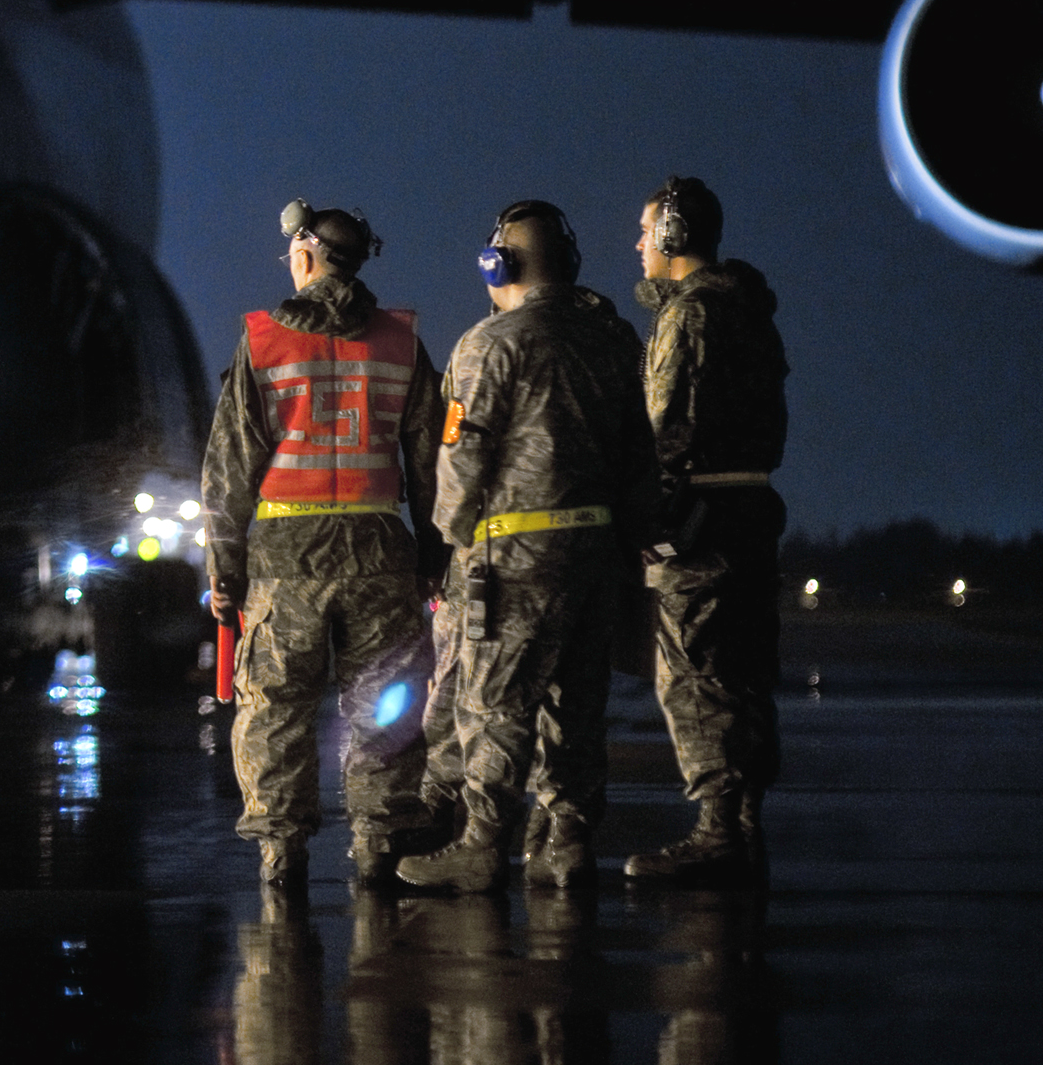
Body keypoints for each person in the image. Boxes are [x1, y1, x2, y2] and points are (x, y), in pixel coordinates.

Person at [400, 201, 654, 894]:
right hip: (596, 556)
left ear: (499, 263)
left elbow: (458, 464)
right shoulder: (615, 342)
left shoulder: (488, 344)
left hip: (513, 557)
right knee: (577, 707)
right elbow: (643, 454)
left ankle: (481, 846)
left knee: (494, 706)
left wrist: (454, 541)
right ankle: (567, 843)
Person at [202, 200, 445, 891]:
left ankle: (281, 855)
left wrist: (226, 566)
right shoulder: (402, 343)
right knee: (386, 702)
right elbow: (431, 464)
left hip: (285, 555)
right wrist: (432, 556)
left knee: (276, 710)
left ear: (305, 254)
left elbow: (227, 472)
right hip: (380, 549)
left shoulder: (262, 341)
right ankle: (379, 843)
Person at [624, 176, 788, 886]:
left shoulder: (691, 315)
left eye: (645, 230)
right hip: (749, 510)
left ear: (672, 235)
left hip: (700, 520)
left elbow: (665, 429)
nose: (637, 243)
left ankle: (718, 829)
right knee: (746, 674)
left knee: (696, 674)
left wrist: (641, 515)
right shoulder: (747, 309)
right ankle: (743, 823)